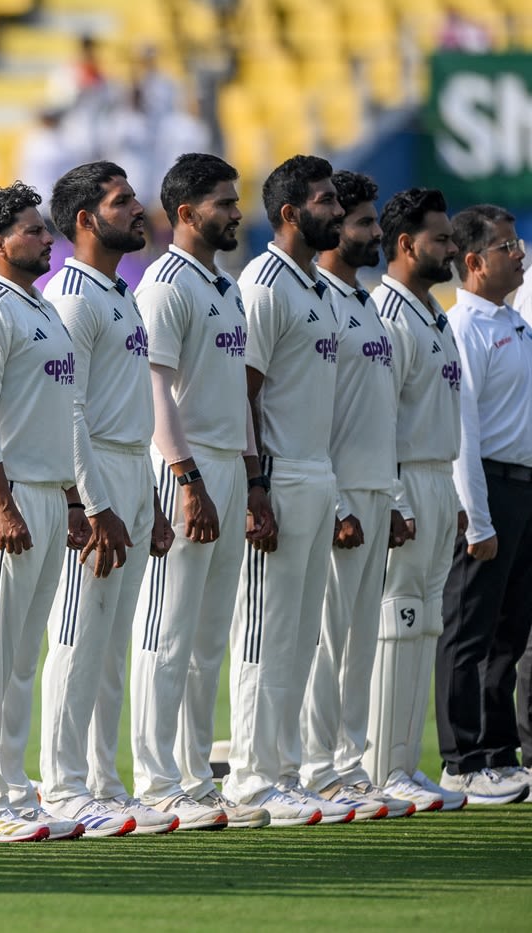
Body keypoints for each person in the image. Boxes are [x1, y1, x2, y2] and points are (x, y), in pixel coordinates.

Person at [131, 153, 273, 830]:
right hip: (181, 468)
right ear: (185, 213)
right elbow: (156, 387)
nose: (235, 212)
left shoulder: (226, 286)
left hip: (223, 468)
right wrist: (185, 477)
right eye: (222, 201)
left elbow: (238, 398)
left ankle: (191, 774)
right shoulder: (165, 284)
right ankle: (157, 778)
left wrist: (250, 479)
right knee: (166, 629)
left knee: (207, 636)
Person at [38, 161, 175, 837]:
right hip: (94, 477)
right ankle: (62, 787)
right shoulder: (72, 297)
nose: (138, 209)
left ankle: (104, 782)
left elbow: (130, 407)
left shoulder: (121, 293)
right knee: (76, 634)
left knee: (110, 641)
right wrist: (93, 502)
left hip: (130, 469)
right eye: (123, 202)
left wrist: (145, 493)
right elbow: (68, 412)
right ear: (87, 219)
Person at [0, 182, 90, 843]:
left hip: (43, 491)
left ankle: (12, 785)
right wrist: (1, 503)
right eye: (33, 230)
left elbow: (60, 417)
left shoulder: (43, 310)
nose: (47, 238)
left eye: (44, 229)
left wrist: (70, 498)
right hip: (4, 493)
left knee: (19, 657)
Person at [224, 155, 354, 826]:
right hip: (276, 477)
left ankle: (283, 768)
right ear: (290, 213)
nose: (337, 210)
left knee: (301, 636)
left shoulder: (319, 288)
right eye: (327, 200)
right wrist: (254, 488)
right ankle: (249, 776)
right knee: (263, 633)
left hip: (317, 474)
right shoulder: (264, 283)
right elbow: (243, 393)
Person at [365, 188, 479, 811]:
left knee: (426, 623)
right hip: (403, 477)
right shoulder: (387, 313)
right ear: (406, 245)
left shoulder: (434, 312)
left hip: (437, 477)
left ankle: (406, 763)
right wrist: (397, 497)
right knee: (396, 621)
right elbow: (377, 418)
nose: (452, 249)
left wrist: (454, 494)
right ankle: (381, 769)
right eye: (440, 240)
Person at [301, 171, 408, 820]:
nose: (376, 233)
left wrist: (390, 496)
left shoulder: (364, 301)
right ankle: (320, 767)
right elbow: (319, 415)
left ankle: (350, 764)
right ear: (335, 226)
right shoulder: (324, 299)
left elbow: (375, 413)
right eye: (364, 222)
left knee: (360, 638)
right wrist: (339, 502)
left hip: (375, 487)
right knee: (325, 639)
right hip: (335, 492)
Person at [438, 206, 532, 802]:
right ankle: (463, 758)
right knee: (469, 628)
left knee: (511, 631)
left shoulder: (515, 322)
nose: (519, 253)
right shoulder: (464, 327)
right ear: (473, 262)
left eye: (518, 242)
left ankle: (499, 751)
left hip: (523, 485)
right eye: (505, 246)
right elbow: (463, 433)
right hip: (489, 485)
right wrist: (478, 515)